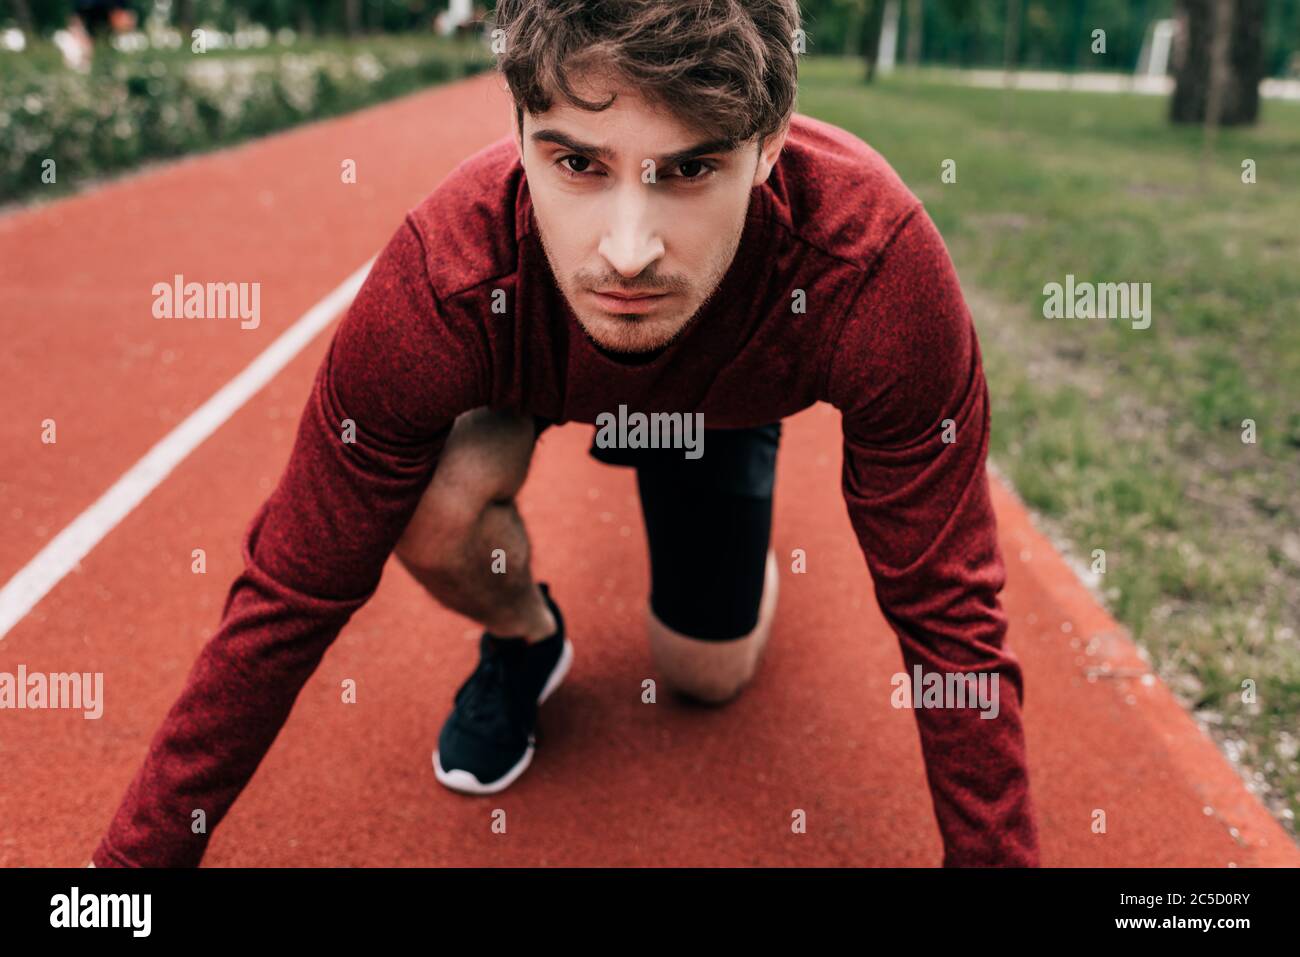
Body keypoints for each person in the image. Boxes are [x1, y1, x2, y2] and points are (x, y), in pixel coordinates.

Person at [91, 0, 1041, 868]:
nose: (627, 250)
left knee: (702, 673)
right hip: (528, 362)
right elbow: (293, 588)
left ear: (771, 146)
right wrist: (124, 880)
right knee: (419, 506)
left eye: (690, 167)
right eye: (578, 163)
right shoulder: (442, 281)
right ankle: (524, 638)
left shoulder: (872, 271)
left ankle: (738, 544)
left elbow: (949, 616)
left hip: (720, 403)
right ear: (517, 136)